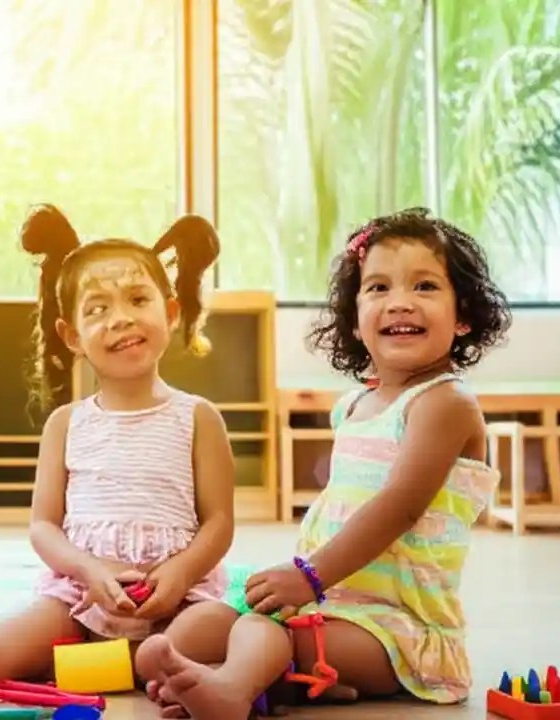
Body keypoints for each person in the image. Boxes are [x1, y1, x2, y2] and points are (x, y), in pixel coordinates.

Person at [135, 207, 512, 718]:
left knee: (259, 630)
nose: (399, 302)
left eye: (424, 287)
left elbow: (397, 508)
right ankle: (272, 684)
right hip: (331, 602)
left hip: (396, 630)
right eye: (378, 288)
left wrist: (308, 578)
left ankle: (234, 691)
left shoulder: (445, 404)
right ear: (354, 320)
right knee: (194, 629)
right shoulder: (357, 406)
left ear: (464, 314)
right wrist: (311, 588)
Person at [0, 204, 239, 683]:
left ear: (171, 312)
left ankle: (117, 664)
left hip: (177, 601)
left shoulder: (198, 416)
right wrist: (90, 570)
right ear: (71, 335)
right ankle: (134, 666)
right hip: (82, 598)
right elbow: (43, 527)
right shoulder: (65, 424)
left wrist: (179, 574)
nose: (120, 319)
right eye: (98, 310)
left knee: (222, 627)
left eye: (138, 300)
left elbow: (218, 521)